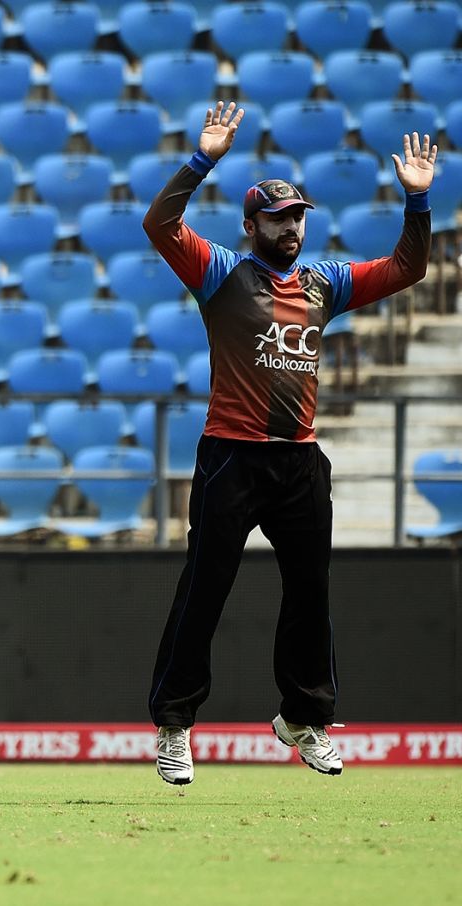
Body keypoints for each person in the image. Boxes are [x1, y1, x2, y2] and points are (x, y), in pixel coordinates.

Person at [143, 101, 435, 785]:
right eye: (278, 217)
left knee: (310, 592)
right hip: (231, 457)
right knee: (205, 590)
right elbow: (159, 225)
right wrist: (203, 158)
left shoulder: (323, 283)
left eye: (299, 215)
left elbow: (407, 269)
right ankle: (175, 725)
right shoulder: (221, 273)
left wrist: (417, 202)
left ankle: (304, 718)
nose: (292, 226)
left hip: (300, 460)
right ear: (251, 226)